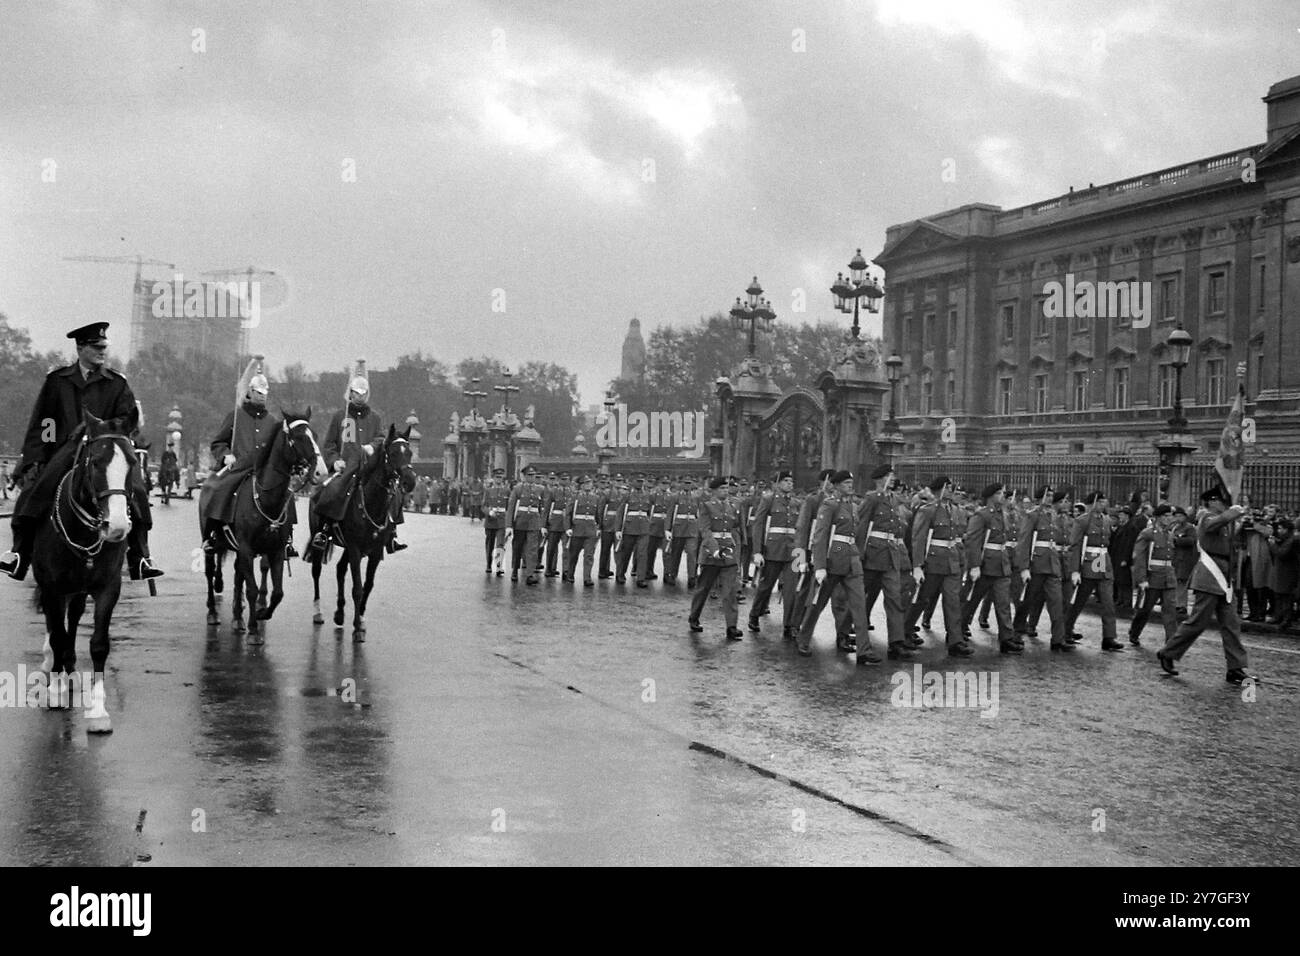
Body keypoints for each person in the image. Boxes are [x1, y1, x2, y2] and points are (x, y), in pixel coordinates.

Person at [2, 322, 162, 581]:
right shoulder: (57, 381)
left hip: (106, 450)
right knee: (35, 490)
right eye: (96, 347)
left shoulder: (117, 383)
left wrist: (110, 431)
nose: (102, 352)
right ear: (81, 348)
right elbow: (46, 422)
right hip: (66, 450)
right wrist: (40, 456)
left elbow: (126, 418)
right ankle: (20, 554)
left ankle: (140, 557)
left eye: (104, 347)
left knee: (138, 492)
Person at [1157, 485, 1256, 684]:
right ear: (1211, 501)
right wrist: (1232, 513)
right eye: (1221, 501)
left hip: (1224, 576)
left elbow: (1229, 541)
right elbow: (1213, 526)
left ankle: (1236, 667)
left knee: (1231, 624)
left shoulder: (1225, 522)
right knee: (1198, 621)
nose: (1224, 504)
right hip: (1209, 576)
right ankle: (1168, 652)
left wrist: (1239, 520)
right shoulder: (1206, 517)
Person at [201, 360, 299, 558]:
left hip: (263, 471)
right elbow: (218, 443)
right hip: (238, 468)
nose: (262, 397)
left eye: (265, 393)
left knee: (286, 494)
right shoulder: (235, 416)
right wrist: (225, 455)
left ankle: (286, 538)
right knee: (219, 489)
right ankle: (212, 535)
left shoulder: (272, 421)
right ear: (250, 392)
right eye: (258, 393)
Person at [795, 470, 881, 664]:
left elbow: (856, 536)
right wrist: (819, 566)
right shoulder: (829, 505)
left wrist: (858, 556)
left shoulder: (853, 507)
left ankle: (864, 651)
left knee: (859, 606)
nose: (850, 486)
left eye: (851, 482)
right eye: (845, 483)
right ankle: (803, 639)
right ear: (835, 486)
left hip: (852, 560)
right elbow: (820, 536)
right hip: (833, 560)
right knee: (818, 603)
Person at [904, 475, 970, 657]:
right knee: (922, 599)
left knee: (953, 601)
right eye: (948, 488)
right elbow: (919, 539)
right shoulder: (928, 510)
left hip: (951, 561)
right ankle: (904, 631)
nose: (952, 490)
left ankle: (955, 641)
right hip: (932, 562)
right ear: (940, 489)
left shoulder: (955, 510)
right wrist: (917, 565)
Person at [859, 464, 917, 660]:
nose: (892, 479)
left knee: (894, 599)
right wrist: (859, 554)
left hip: (891, 556)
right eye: (889, 476)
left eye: (892, 475)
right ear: (879, 480)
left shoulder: (893, 499)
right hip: (872, 556)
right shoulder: (871, 498)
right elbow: (861, 525)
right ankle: (843, 632)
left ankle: (896, 643)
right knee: (859, 597)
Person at [961, 482, 1021, 654]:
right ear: (991, 496)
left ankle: (1006, 639)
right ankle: (957, 633)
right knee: (971, 602)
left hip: (1001, 565)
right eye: (1000, 493)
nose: (1003, 496)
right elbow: (973, 542)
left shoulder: (1002, 514)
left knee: (1003, 604)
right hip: (985, 566)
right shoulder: (982, 515)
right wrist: (974, 566)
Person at [1014, 485, 1073, 651]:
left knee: (1057, 602)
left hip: (1052, 565)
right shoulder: (1032, 515)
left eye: (1051, 496)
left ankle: (1058, 639)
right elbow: (1024, 541)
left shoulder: (1054, 515)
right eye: (1047, 496)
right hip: (1037, 564)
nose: (1050, 499)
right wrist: (1024, 567)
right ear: (1040, 498)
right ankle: (1016, 632)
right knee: (1028, 601)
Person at [1064, 491, 1125, 651]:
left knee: (1108, 602)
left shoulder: (1106, 520)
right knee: (1080, 600)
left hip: (1102, 562)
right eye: (1100, 502)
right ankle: (1066, 629)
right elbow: (1075, 546)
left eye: (1104, 502)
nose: (1103, 505)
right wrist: (1075, 570)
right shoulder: (1082, 521)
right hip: (1088, 563)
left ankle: (1109, 637)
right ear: (1092, 504)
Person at [687, 476, 743, 639]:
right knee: (703, 589)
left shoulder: (732, 507)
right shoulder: (706, 506)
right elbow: (705, 531)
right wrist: (714, 550)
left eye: (727, 488)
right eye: (722, 488)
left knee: (730, 591)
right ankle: (694, 617)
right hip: (711, 554)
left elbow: (735, 528)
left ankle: (731, 626)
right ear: (713, 491)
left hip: (728, 553)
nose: (725, 491)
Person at [749, 470, 800, 638]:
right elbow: (759, 525)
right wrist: (757, 551)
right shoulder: (769, 499)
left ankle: (789, 625)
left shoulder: (796, 503)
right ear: (777, 484)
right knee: (766, 586)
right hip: (772, 550)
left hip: (793, 552)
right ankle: (754, 615)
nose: (789, 484)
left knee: (792, 589)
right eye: (785, 481)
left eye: (791, 481)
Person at [1130, 503, 1180, 647]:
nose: (1169, 518)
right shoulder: (1148, 533)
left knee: (1170, 611)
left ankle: (1171, 642)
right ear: (1158, 517)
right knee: (1145, 609)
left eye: (1170, 515)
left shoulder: (1170, 534)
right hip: (1152, 577)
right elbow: (1139, 557)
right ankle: (1134, 632)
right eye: (1165, 516)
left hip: (1168, 577)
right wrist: (1142, 579)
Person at [506, 465, 546, 584]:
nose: (531, 477)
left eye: (533, 475)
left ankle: (530, 573)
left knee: (532, 549)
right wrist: (509, 525)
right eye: (529, 475)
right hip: (520, 522)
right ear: (524, 476)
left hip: (534, 522)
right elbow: (511, 507)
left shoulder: (540, 489)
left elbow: (543, 508)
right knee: (518, 547)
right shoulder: (518, 489)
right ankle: (514, 570)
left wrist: (543, 525)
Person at [615, 473, 653, 587]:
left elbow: (649, 511)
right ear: (632, 482)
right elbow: (620, 512)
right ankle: (621, 574)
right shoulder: (627, 495)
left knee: (642, 554)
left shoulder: (648, 495)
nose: (640, 483)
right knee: (626, 553)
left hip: (643, 528)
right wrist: (618, 529)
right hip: (629, 527)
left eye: (641, 481)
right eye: (638, 481)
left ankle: (640, 578)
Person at [564, 474, 602, 585]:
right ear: (581, 485)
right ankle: (570, 575)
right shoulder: (574, 496)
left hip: (590, 530)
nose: (588, 485)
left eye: (589, 482)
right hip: (577, 529)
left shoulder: (596, 497)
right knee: (573, 555)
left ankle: (587, 578)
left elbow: (598, 514)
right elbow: (568, 513)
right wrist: (568, 528)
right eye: (586, 483)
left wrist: (599, 527)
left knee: (589, 555)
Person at [664, 475, 700, 587]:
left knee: (692, 553)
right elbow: (670, 513)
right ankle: (672, 574)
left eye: (689, 483)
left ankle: (692, 577)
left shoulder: (696, 498)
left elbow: (698, 514)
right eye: (685, 483)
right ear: (681, 484)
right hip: (678, 528)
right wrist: (667, 529)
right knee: (675, 553)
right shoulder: (675, 497)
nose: (687, 485)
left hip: (692, 529)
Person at [481, 469, 510, 574]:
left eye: (501, 477)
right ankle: (488, 564)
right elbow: (483, 506)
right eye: (497, 477)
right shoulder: (488, 491)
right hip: (490, 521)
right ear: (493, 478)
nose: (499, 479)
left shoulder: (507, 491)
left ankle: (498, 566)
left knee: (500, 544)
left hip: (502, 521)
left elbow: (509, 507)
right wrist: (489, 512)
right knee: (490, 544)